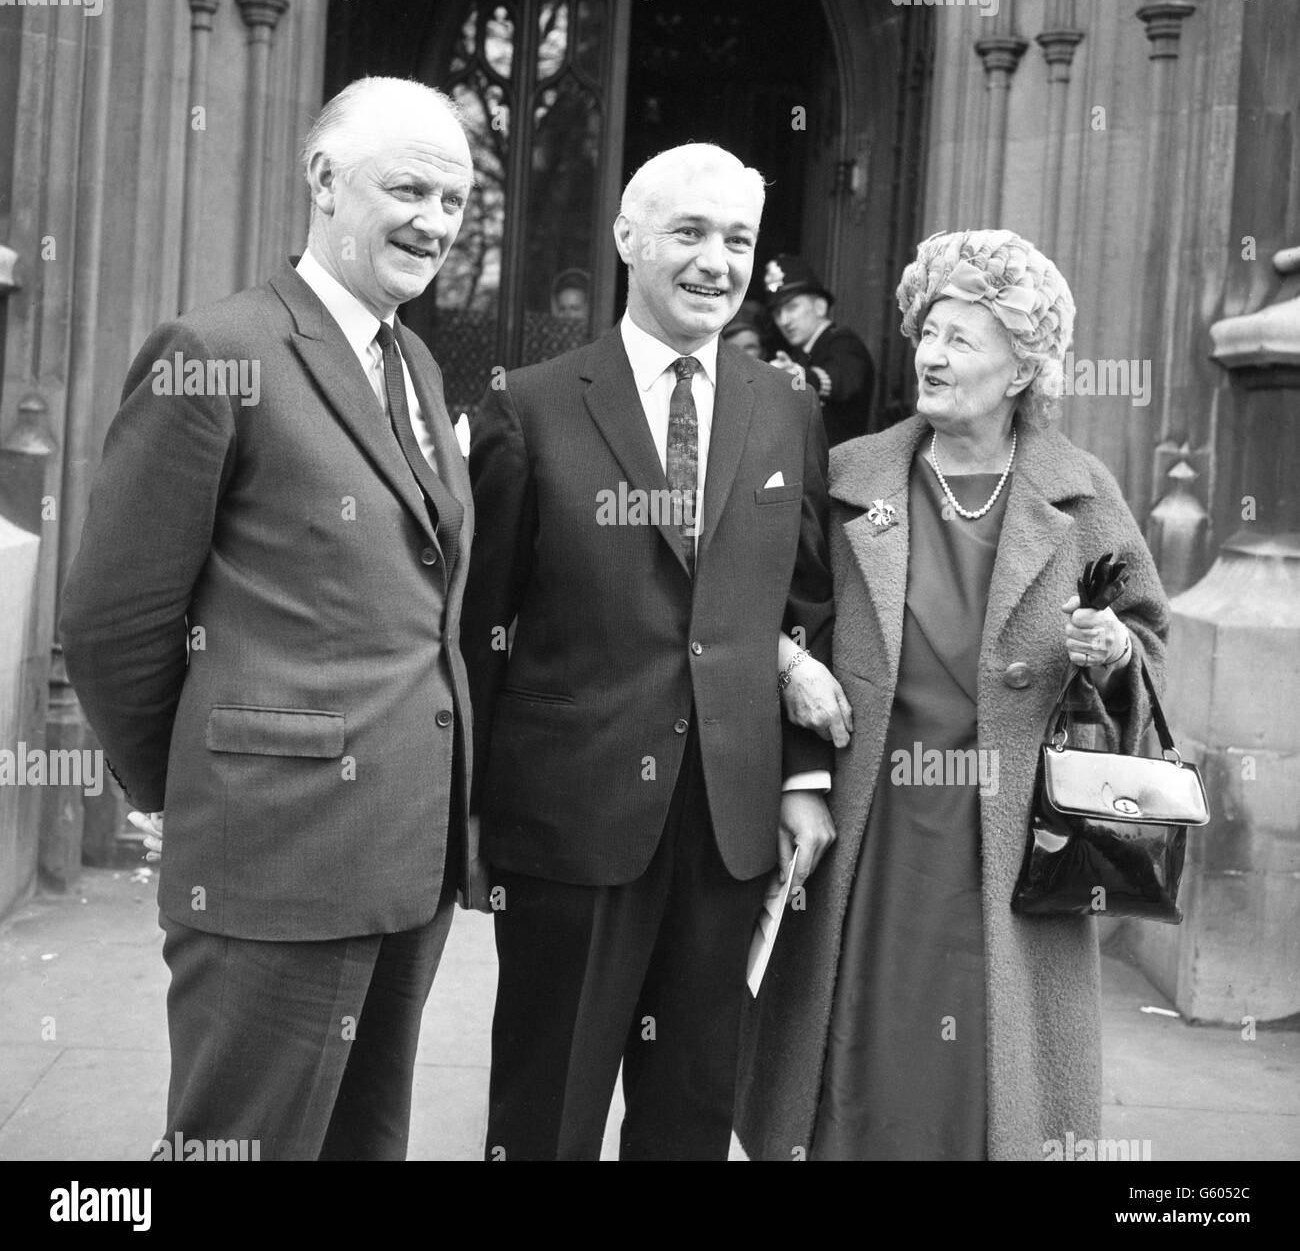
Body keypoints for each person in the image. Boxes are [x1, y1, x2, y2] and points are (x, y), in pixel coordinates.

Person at [60, 76, 477, 1161]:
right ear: (323, 180)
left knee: (358, 1146)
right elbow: (111, 621)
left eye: (456, 200)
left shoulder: (414, 361)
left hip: (402, 861)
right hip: (270, 859)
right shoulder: (215, 351)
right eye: (409, 189)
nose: (435, 221)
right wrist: (188, 787)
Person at [736, 228, 1171, 1161]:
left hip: (1014, 830)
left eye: (962, 339)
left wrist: (1115, 650)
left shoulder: (1082, 492)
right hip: (874, 818)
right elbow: (762, 610)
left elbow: (1150, 643)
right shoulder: (850, 474)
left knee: (993, 1068)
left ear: (1021, 370)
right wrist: (787, 677)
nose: (931, 354)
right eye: (928, 331)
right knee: (855, 1038)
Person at [461, 143, 840, 1161]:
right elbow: (477, 632)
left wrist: (803, 769)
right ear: (629, 238)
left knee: (687, 1117)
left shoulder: (788, 409)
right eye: (690, 232)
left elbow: (808, 604)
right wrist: (464, 822)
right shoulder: (530, 406)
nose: (716, 261)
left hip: (726, 829)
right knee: (547, 1112)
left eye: (738, 239)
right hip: (570, 826)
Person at [765, 253, 874, 444]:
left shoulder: (844, 343)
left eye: (791, 307)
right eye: (777, 312)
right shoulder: (799, 354)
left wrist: (797, 376)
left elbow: (841, 381)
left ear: (820, 307)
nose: (783, 320)